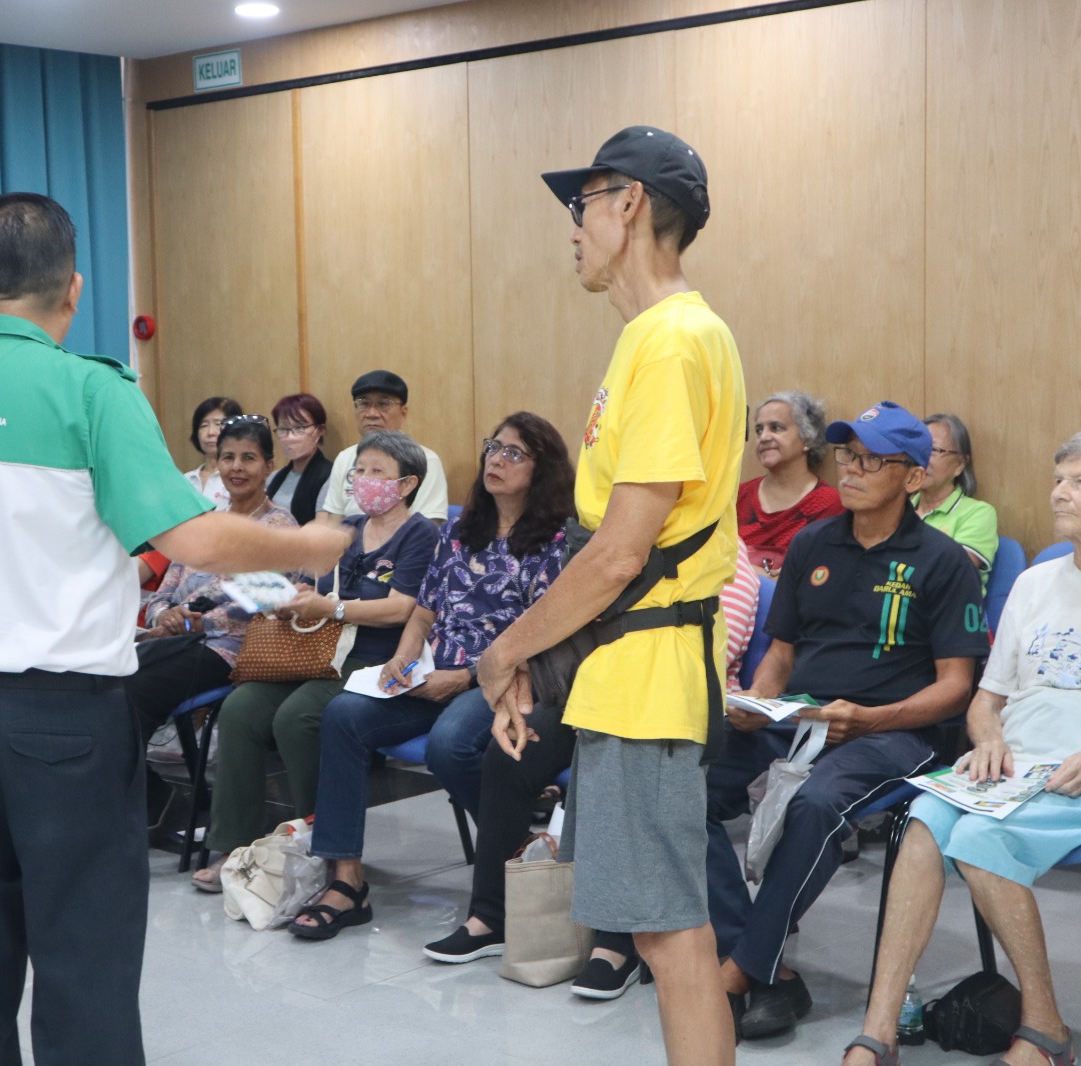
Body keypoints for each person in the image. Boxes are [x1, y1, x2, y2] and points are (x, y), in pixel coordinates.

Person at [0, 193, 348, 1066]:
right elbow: (191, 537)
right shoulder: (91, 388)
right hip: (60, 722)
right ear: (73, 291)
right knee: (83, 949)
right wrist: (312, 539)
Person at [476, 126, 745, 1066]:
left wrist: (504, 649)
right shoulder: (654, 338)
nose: (574, 226)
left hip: (650, 681)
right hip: (626, 672)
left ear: (629, 203)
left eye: (582, 203)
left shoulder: (672, 342)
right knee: (666, 931)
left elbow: (622, 552)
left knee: (670, 936)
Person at [845, 425, 1081, 1066]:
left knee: (982, 842)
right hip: (1018, 766)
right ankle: (878, 1031)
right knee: (923, 822)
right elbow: (988, 698)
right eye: (1057, 478)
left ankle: (1045, 1030)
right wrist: (986, 740)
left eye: (1079, 481)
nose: (1058, 493)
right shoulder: (1038, 580)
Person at [710, 400, 989, 1042]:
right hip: (800, 717)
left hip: (896, 733)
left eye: (870, 460)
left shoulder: (942, 561)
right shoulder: (814, 543)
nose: (852, 470)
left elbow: (955, 688)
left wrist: (870, 720)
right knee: (686, 781)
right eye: (846, 456)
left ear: (914, 477)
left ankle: (736, 972)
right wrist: (756, 703)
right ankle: (758, 955)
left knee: (817, 804)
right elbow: (780, 655)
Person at [424, 538, 761, 1002]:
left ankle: (615, 941)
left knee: (612, 770)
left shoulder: (712, 554)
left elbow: (718, 646)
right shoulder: (613, 539)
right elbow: (577, 616)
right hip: (592, 682)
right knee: (511, 753)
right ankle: (493, 913)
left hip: (667, 692)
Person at [287, 413, 573, 939]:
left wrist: (463, 677)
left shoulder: (556, 542)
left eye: (515, 453)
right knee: (344, 715)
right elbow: (425, 608)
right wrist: (403, 657)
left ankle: (511, 836)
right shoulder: (463, 531)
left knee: (448, 745)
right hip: (432, 670)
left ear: (544, 470)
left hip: (501, 679)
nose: (496, 459)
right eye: (493, 447)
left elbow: (549, 635)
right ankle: (347, 881)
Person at [193, 430, 440, 891]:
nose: (364, 481)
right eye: (359, 471)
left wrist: (332, 609)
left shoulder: (419, 533)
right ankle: (237, 845)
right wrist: (299, 597)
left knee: (298, 716)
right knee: (241, 708)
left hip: (374, 659)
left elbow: (402, 609)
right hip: (317, 649)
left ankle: (321, 847)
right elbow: (319, 592)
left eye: (377, 472)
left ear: (406, 484)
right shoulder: (345, 530)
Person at [129, 415, 296, 826]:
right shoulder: (204, 522)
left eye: (248, 458)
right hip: (173, 639)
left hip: (227, 649)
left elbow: (262, 601)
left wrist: (200, 624)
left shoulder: (279, 527)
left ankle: (153, 801)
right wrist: (164, 614)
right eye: (228, 457)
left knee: (128, 695)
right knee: (98, 683)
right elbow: (166, 586)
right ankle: (143, 797)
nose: (236, 467)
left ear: (268, 466)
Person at [315, 370, 449, 525]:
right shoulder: (345, 457)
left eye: (383, 404)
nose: (372, 413)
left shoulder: (425, 460)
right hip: (350, 547)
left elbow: (428, 528)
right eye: (363, 404)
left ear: (403, 413)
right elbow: (334, 522)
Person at [737, 391, 844, 578]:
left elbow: (820, 574)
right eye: (759, 430)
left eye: (776, 428)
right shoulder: (738, 496)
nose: (764, 437)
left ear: (807, 438)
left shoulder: (829, 504)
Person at [914, 412, 998, 589]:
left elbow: (951, 572)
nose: (922, 459)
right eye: (919, 448)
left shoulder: (978, 513)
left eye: (934, 450)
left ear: (960, 464)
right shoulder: (898, 508)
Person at [266, 392, 334, 524]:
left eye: (299, 428)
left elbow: (321, 531)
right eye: (284, 428)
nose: (290, 437)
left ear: (320, 430)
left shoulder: (329, 476)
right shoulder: (274, 478)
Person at [182, 395, 243, 510]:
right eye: (204, 425)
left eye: (219, 424)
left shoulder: (240, 477)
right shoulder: (186, 480)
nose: (210, 432)